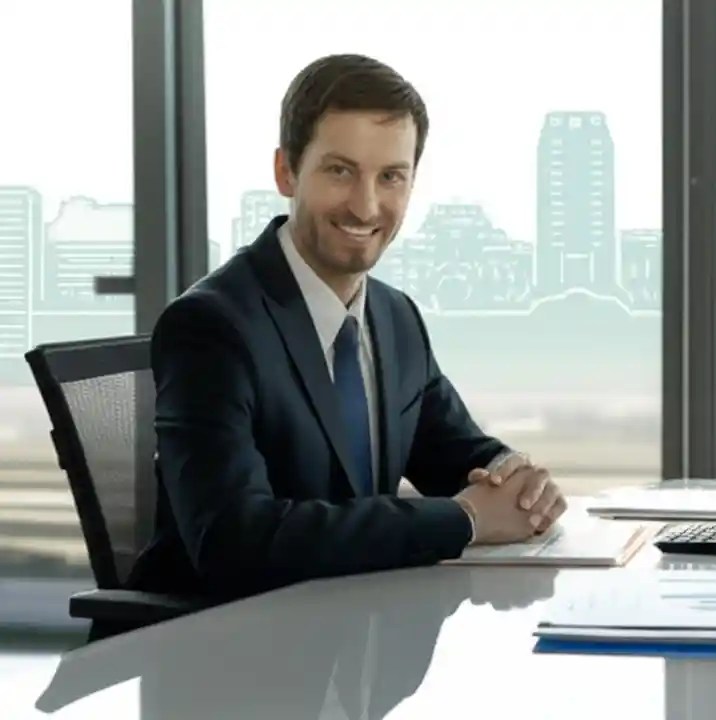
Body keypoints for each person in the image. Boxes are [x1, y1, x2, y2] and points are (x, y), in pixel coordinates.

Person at [127, 53, 566, 601]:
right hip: (223, 651)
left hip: (357, 642)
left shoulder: (395, 317)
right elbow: (234, 541)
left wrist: (519, 485)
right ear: (286, 170)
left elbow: (457, 454)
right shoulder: (212, 328)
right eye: (340, 171)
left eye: (391, 177)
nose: (366, 205)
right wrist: (465, 521)